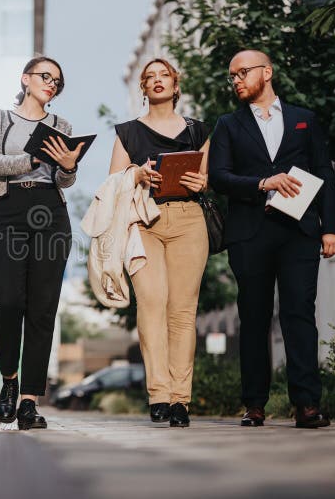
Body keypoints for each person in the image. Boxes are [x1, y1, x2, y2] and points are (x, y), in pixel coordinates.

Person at [209, 49, 335, 428]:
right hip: (249, 233)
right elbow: (219, 177)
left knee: (299, 313)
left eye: (242, 73)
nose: (236, 80)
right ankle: (254, 404)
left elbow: (324, 174)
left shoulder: (305, 120)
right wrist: (262, 183)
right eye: (231, 75)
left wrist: (330, 227)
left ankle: (307, 405)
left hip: (299, 232)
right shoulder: (227, 125)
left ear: (266, 72)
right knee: (253, 318)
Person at [108, 58, 210, 427]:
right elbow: (113, 180)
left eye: (163, 75)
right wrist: (137, 173)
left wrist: (203, 182)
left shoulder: (199, 131)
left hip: (188, 221)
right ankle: (159, 395)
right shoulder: (128, 132)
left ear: (176, 85)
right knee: (151, 303)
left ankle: (181, 399)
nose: (156, 80)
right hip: (143, 221)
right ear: (143, 88)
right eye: (149, 77)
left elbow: (206, 177)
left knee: (182, 311)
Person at [0, 56, 83, 430]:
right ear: (25, 79)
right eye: (45, 76)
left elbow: (64, 182)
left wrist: (69, 166)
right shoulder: (0, 118)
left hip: (50, 212)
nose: (51, 83)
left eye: (57, 80)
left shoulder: (62, 125)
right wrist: (31, 158)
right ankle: (9, 380)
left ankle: (29, 400)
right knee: (7, 301)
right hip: (9, 210)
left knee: (43, 310)